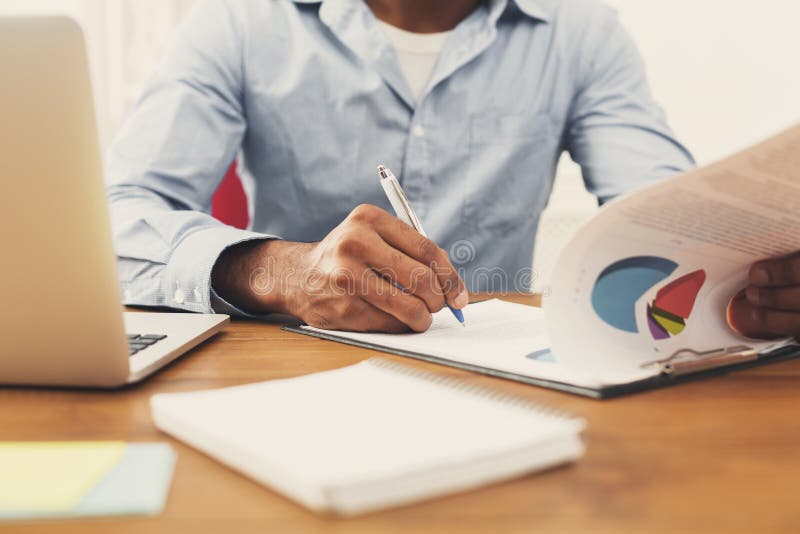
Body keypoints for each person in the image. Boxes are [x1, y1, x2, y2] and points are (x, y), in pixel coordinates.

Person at [108, 0, 703, 333]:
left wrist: (736, 261)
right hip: (297, 365)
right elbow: (113, 223)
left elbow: (672, 215)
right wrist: (281, 271)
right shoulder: (238, 22)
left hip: (501, 370)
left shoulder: (581, 32)